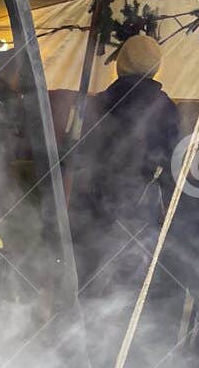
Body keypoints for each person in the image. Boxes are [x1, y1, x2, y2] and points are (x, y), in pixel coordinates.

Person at [70, 31, 181, 296]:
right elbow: (172, 164)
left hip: (93, 206)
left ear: (121, 64)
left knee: (86, 281)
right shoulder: (167, 109)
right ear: (155, 67)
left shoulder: (98, 103)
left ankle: (77, 333)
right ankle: (119, 334)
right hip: (139, 210)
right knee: (127, 286)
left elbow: (78, 154)